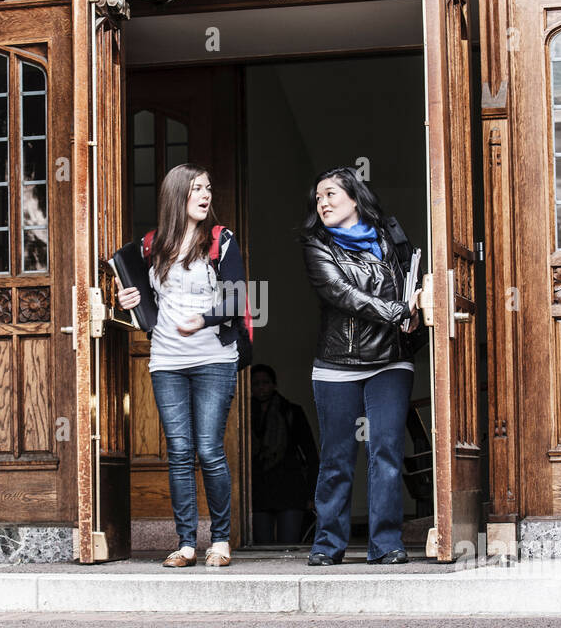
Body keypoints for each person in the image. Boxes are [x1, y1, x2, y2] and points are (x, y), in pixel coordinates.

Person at [115, 164, 249, 569]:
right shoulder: (151, 245)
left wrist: (204, 320)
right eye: (196, 189)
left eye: (208, 188)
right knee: (179, 451)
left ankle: (221, 540)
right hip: (167, 360)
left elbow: (240, 296)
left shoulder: (221, 240)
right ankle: (186, 543)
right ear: (177, 195)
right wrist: (130, 302)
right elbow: (140, 296)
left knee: (208, 449)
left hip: (213, 358)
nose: (205, 195)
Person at [301, 166, 421, 566]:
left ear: (354, 197)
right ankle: (327, 544)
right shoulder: (318, 245)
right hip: (337, 363)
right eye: (318, 197)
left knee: (385, 451)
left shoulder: (391, 236)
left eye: (331, 194)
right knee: (337, 456)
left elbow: (410, 282)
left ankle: (386, 543)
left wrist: (415, 307)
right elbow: (341, 293)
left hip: (391, 361)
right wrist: (396, 309)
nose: (323, 202)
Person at [251, 364, 318, 545]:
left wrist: (312, 494)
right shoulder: (243, 414)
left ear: (274, 385)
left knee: (289, 545)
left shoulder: (291, 411)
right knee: (261, 546)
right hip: (257, 487)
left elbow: (310, 453)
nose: (261, 387)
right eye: (256, 383)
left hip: (289, 486)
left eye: (265, 382)